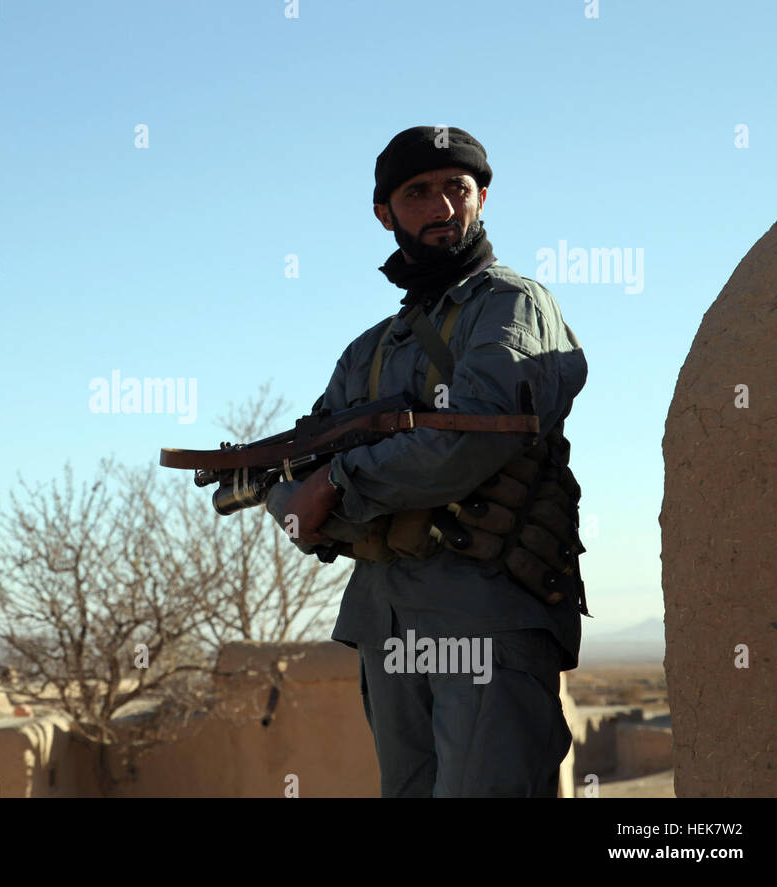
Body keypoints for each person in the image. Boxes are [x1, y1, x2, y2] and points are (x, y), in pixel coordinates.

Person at [274, 126, 588, 797]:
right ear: (386, 214)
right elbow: (301, 467)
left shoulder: (510, 305)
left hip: (485, 610)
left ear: (482, 198)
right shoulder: (369, 349)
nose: (443, 207)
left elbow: (472, 438)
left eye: (458, 188)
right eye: (419, 193)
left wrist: (337, 484)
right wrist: (290, 497)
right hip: (386, 614)